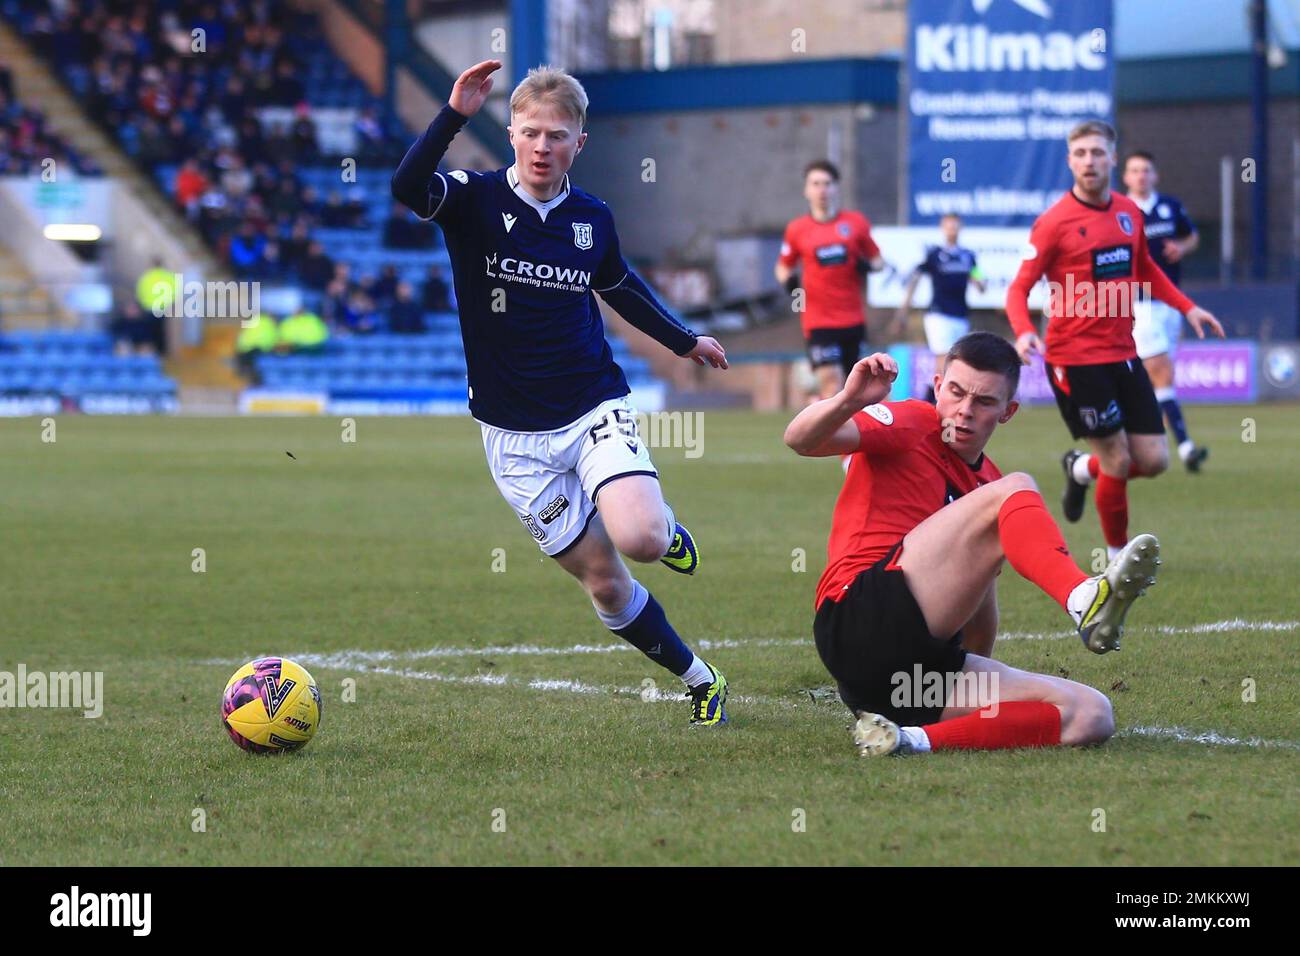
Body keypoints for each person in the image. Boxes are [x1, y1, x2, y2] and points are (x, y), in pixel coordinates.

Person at [391, 61, 732, 724]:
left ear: (580, 143)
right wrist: (455, 113)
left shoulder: (591, 219)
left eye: (557, 135)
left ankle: (661, 529)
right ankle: (700, 678)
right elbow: (407, 185)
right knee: (604, 581)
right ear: (512, 135)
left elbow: (620, 285)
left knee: (638, 539)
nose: (542, 147)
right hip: (511, 435)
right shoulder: (473, 201)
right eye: (530, 133)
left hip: (589, 406)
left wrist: (684, 340)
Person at [784, 334, 1162, 756]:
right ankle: (1081, 598)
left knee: (1091, 713)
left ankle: (909, 739)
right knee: (1015, 488)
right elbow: (800, 439)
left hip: (902, 678)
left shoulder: (990, 489)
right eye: (956, 392)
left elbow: (980, 611)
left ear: (1007, 412)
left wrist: (971, 678)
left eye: (984, 402)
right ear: (937, 385)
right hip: (858, 618)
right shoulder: (914, 421)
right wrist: (849, 399)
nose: (964, 411)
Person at [1005, 120, 1224, 560]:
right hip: (1076, 361)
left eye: (1097, 152)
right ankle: (1116, 560)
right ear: (1070, 161)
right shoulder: (1052, 223)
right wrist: (1025, 331)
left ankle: (1079, 469)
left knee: (1155, 461)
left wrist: (1188, 307)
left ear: (1113, 159)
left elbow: (1145, 270)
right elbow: (1018, 288)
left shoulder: (1128, 212)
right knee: (1119, 461)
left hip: (1124, 355)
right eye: (1081, 153)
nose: (1089, 161)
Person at [775, 160, 890, 402]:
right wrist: (789, 281)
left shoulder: (855, 223)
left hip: (852, 319)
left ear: (836, 188)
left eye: (827, 184)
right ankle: (825, 437)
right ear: (807, 190)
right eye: (815, 184)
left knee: (857, 390)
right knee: (832, 382)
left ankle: (836, 425)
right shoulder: (797, 229)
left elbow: (880, 261)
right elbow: (783, 266)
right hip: (818, 321)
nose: (822, 190)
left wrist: (868, 266)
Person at [1122, 150, 1207, 471]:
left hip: (1170, 304)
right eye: (1135, 170)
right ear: (1127, 177)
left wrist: (1182, 247)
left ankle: (1139, 447)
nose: (1141, 175)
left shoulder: (1170, 206)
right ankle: (1185, 447)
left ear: (1154, 175)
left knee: (1157, 380)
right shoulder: (1120, 210)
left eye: (1146, 170)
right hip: (1139, 304)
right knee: (1162, 374)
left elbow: (1192, 236)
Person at [895, 213, 987, 402]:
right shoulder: (935, 255)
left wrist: (979, 281)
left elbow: (977, 277)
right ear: (943, 228)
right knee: (943, 359)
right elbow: (915, 279)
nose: (952, 229)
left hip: (960, 315)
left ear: (960, 228)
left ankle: (933, 397)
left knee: (956, 361)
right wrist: (903, 311)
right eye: (948, 226)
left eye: (955, 225)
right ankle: (934, 401)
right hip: (939, 315)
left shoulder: (968, 256)